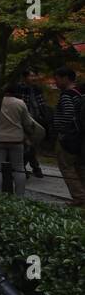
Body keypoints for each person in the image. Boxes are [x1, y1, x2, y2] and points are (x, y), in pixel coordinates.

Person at [0, 85, 44, 196]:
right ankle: (20, 195)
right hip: (16, 139)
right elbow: (27, 122)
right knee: (19, 168)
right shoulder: (20, 103)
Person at [51, 67, 85, 207]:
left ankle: (79, 198)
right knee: (79, 166)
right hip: (80, 136)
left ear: (65, 78)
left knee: (66, 166)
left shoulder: (66, 95)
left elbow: (68, 114)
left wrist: (61, 130)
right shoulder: (80, 93)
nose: (56, 82)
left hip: (68, 137)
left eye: (57, 78)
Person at [13, 70, 49, 178]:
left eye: (34, 75)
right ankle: (29, 168)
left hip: (36, 120)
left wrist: (45, 118)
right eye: (31, 75)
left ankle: (28, 167)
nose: (33, 78)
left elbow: (42, 104)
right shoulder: (20, 88)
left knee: (31, 145)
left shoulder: (37, 89)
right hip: (24, 120)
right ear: (24, 77)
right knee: (27, 145)